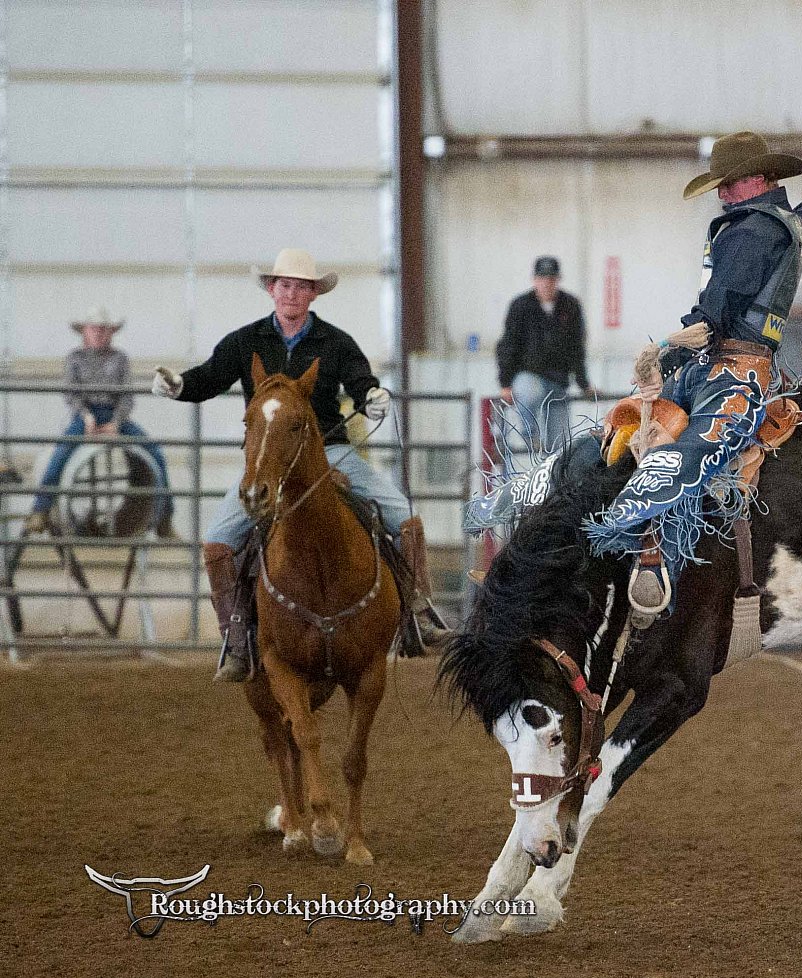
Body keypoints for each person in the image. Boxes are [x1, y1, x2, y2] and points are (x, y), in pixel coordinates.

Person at [586, 104, 802, 611]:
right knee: (651, 434)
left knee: (675, 450)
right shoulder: (795, 225)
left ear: (754, 180)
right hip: (747, 369)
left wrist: (666, 352)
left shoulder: (749, 233)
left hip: (724, 371)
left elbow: (716, 312)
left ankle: (642, 549)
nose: (722, 194)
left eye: (727, 185)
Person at [152, 248, 449, 682]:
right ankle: (237, 639)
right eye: (284, 285)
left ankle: (418, 615)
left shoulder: (336, 343)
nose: (291, 293)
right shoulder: (246, 341)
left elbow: (360, 379)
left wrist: (372, 397)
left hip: (327, 450)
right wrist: (178, 386)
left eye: (300, 287)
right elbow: (209, 377)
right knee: (217, 541)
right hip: (270, 459)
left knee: (404, 517)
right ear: (272, 290)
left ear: (313, 294)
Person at [24, 307, 175, 538]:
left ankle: (164, 519)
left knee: (154, 452)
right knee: (61, 453)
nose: (99, 333)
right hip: (85, 416)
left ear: (111, 333)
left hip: (115, 415)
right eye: (94, 329)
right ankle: (40, 510)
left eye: (104, 329)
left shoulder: (120, 358)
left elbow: (127, 396)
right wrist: (85, 416)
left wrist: (116, 422)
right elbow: (71, 394)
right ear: (84, 331)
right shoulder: (74, 359)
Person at [496, 256, 591, 454]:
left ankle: (555, 478)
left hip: (558, 380)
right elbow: (508, 345)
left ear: (557, 280)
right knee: (530, 393)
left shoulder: (570, 306)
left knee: (560, 444)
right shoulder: (521, 306)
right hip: (528, 374)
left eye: (551, 278)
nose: (547, 283)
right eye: (542, 278)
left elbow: (577, 348)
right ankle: (531, 435)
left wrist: (583, 383)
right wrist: (505, 383)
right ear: (534, 280)